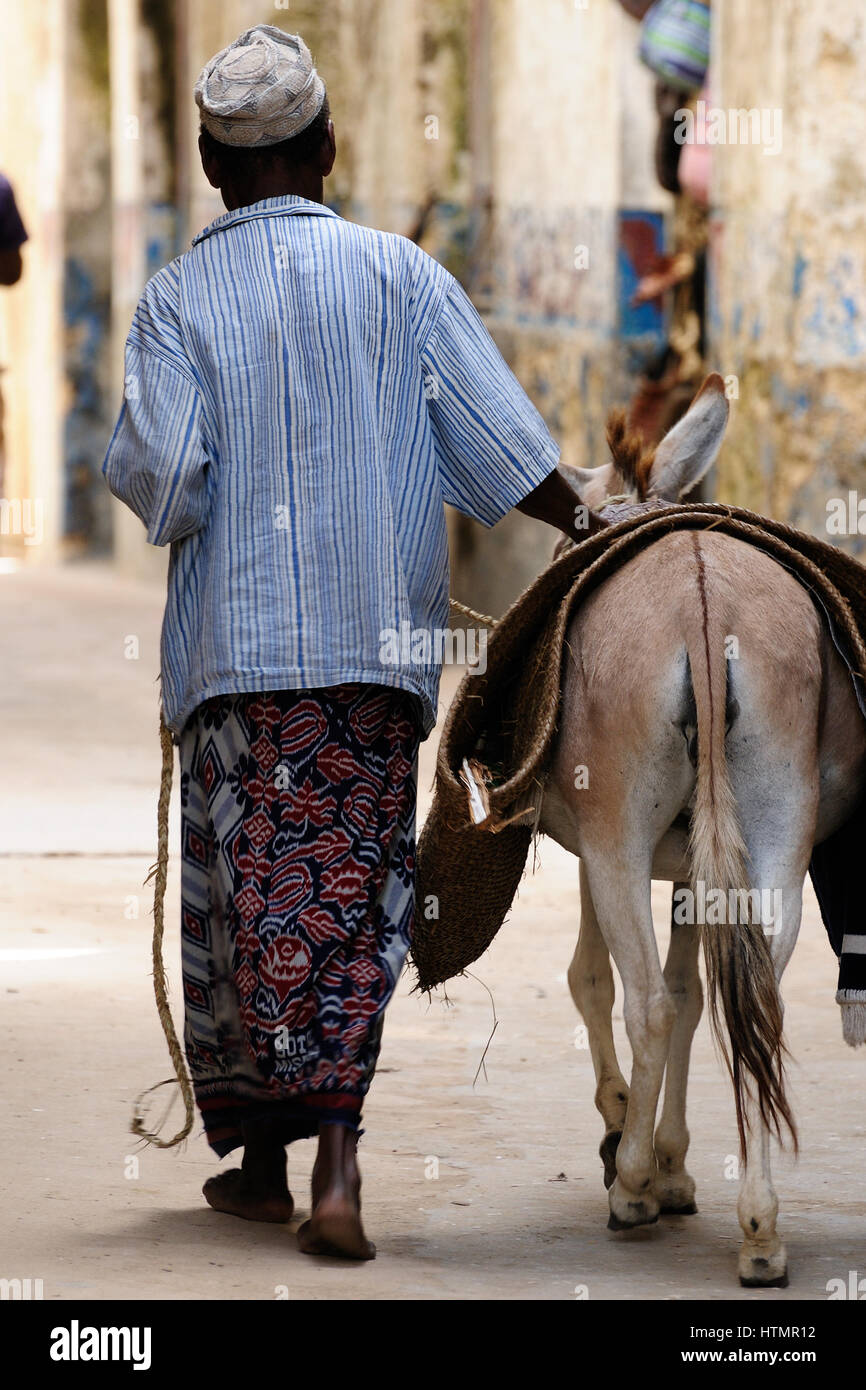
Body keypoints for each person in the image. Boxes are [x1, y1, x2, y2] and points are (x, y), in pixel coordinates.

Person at [103, 25, 601, 1260]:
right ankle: (328, 1168)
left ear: (216, 171)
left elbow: (166, 490)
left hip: (235, 655)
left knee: (242, 903)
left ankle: (267, 1166)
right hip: (371, 662)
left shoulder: (175, 299)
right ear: (330, 147)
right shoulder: (404, 277)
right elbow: (508, 459)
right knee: (342, 897)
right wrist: (595, 514)